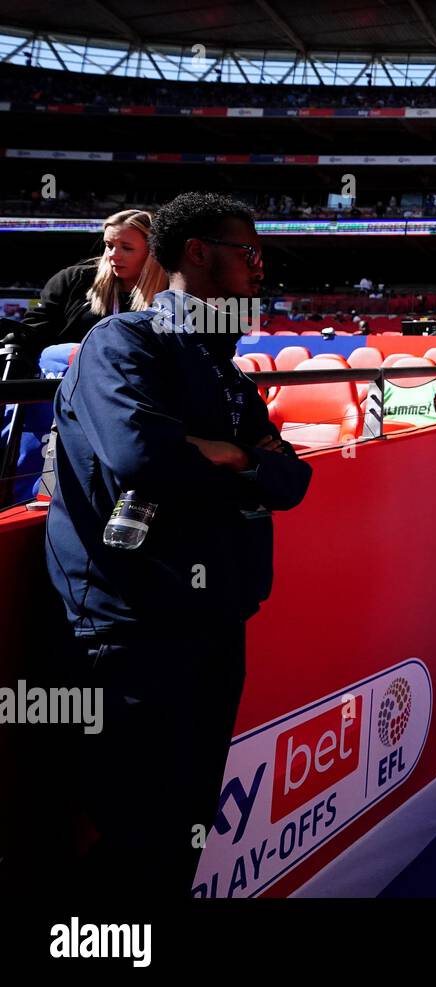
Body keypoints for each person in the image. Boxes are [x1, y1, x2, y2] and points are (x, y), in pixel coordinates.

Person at [45, 192, 312, 896]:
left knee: (183, 837)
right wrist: (239, 460)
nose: (262, 272)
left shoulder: (223, 370)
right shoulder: (123, 343)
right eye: (249, 254)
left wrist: (229, 456)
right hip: (134, 641)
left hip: (215, 632)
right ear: (197, 254)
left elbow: (292, 478)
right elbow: (142, 455)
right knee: (127, 846)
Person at [16, 208, 167, 374]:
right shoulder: (73, 280)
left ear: (152, 251)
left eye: (127, 248)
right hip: (67, 387)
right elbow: (34, 335)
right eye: (109, 245)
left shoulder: (171, 293)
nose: (113, 255)